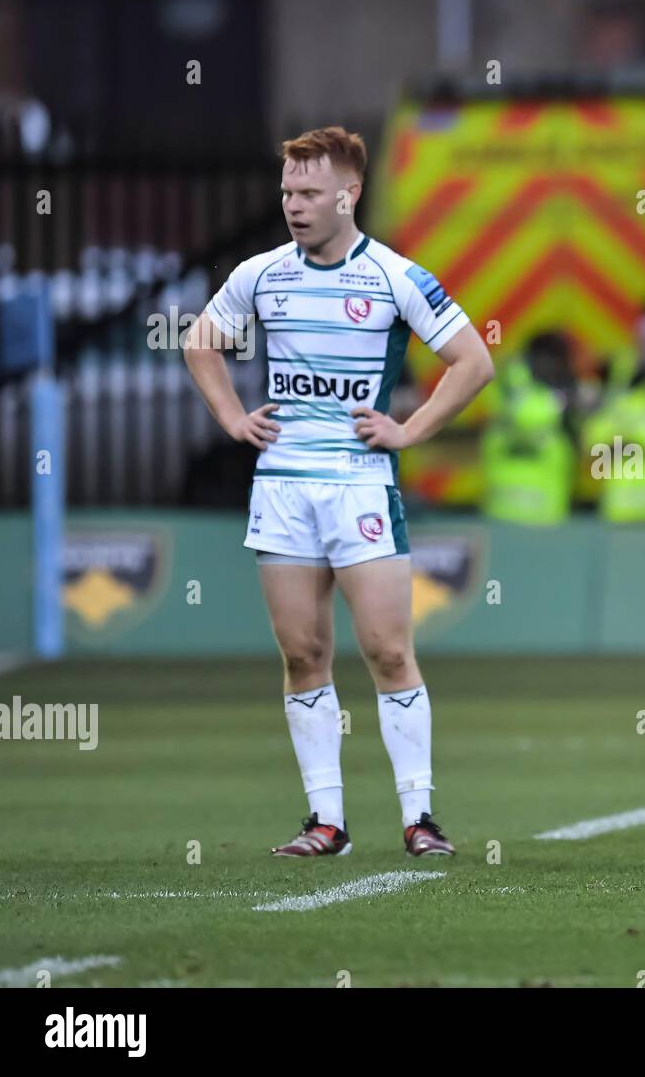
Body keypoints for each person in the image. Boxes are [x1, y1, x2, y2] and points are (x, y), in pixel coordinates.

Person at [182, 127, 493, 858]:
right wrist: (232, 418)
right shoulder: (261, 275)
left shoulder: (393, 276)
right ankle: (327, 822)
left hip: (359, 485)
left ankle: (419, 818)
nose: (293, 204)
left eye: (309, 192)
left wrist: (410, 431)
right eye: (288, 191)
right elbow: (201, 342)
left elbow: (472, 362)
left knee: (387, 650)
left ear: (348, 196)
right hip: (284, 488)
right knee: (302, 653)